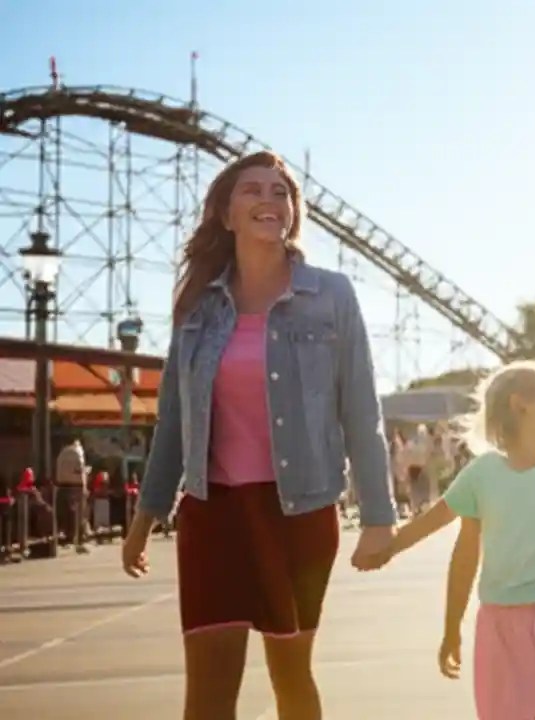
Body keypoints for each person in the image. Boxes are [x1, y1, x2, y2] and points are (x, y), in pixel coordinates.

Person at [120, 150, 399, 720]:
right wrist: (143, 522)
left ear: (293, 213)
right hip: (212, 513)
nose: (270, 201)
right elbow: (173, 421)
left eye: (281, 192)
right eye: (253, 190)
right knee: (207, 696)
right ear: (225, 213)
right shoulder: (197, 306)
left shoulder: (332, 296)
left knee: (291, 680)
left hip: (298, 513)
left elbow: (361, 411)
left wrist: (379, 519)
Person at [355, 360, 535, 720]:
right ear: (520, 403)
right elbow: (446, 533)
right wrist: (388, 549)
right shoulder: (482, 475)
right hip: (501, 623)